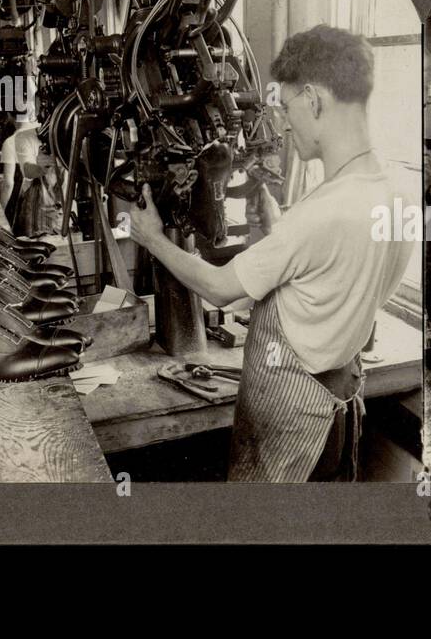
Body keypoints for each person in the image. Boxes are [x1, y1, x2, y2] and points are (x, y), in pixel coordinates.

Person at [128, 25, 414, 482]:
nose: (280, 122)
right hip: (336, 409)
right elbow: (345, 284)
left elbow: (221, 291)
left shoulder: (320, 214)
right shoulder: (400, 195)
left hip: (291, 417)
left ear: (314, 100)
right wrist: (276, 229)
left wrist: (151, 237)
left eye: (285, 107)